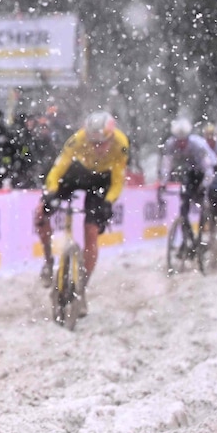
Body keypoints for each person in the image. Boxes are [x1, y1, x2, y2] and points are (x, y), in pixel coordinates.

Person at [35, 110, 129, 302]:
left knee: (91, 232)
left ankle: (81, 289)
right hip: (79, 173)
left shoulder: (121, 144)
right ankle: (48, 261)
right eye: (93, 143)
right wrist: (51, 191)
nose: (97, 147)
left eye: (102, 143)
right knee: (40, 213)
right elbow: (58, 168)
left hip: (103, 180)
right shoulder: (78, 139)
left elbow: (118, 180)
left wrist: (109, 202)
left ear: (111, 138)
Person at [157, 117, 217, 248]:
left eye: (183, 141)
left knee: (203, 203)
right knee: (183, 207)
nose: (181, 144)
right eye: (178, 141)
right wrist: (163, 183)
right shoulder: (170, 145)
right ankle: (187, 240)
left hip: (202, 172)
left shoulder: (197, 145)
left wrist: (204, 185)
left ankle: (203, 234)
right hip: (188, 173)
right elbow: (166, 165)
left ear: (188, 138)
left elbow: (208, 169)